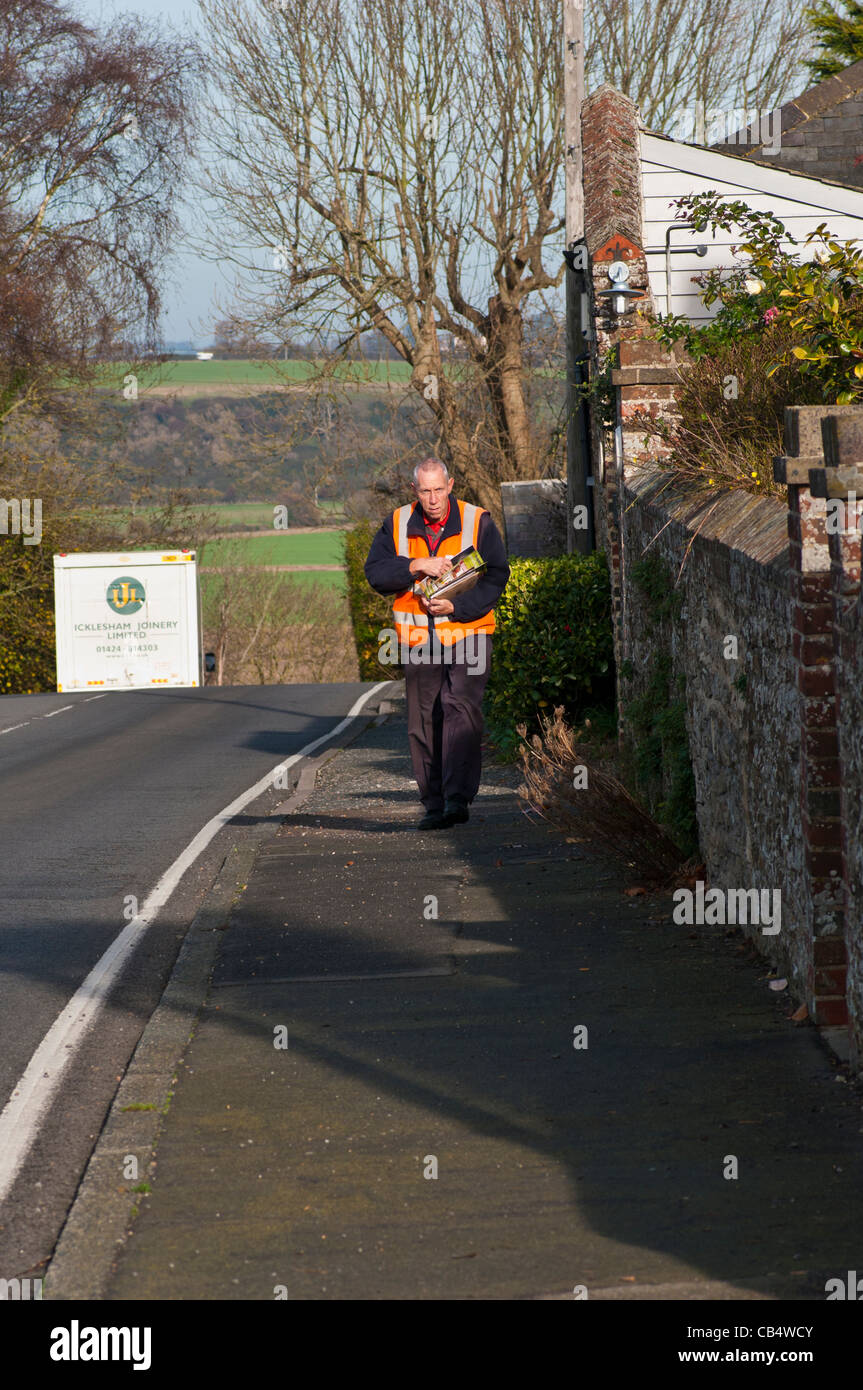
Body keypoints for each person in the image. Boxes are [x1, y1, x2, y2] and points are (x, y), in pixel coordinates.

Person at [364, 457, 509, 829]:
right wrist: (416, 565)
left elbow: (496, 576)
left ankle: (457, 800)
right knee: (423, 719)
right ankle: (433, 803)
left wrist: (457, 606)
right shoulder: (396, 523)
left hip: (469, 633)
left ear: (451, 485)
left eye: (439, 489)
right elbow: (376, 574)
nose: (432, 498)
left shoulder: (478, 521)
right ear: (415, 490)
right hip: (418, 639)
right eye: (425, 490)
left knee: (459, 707)